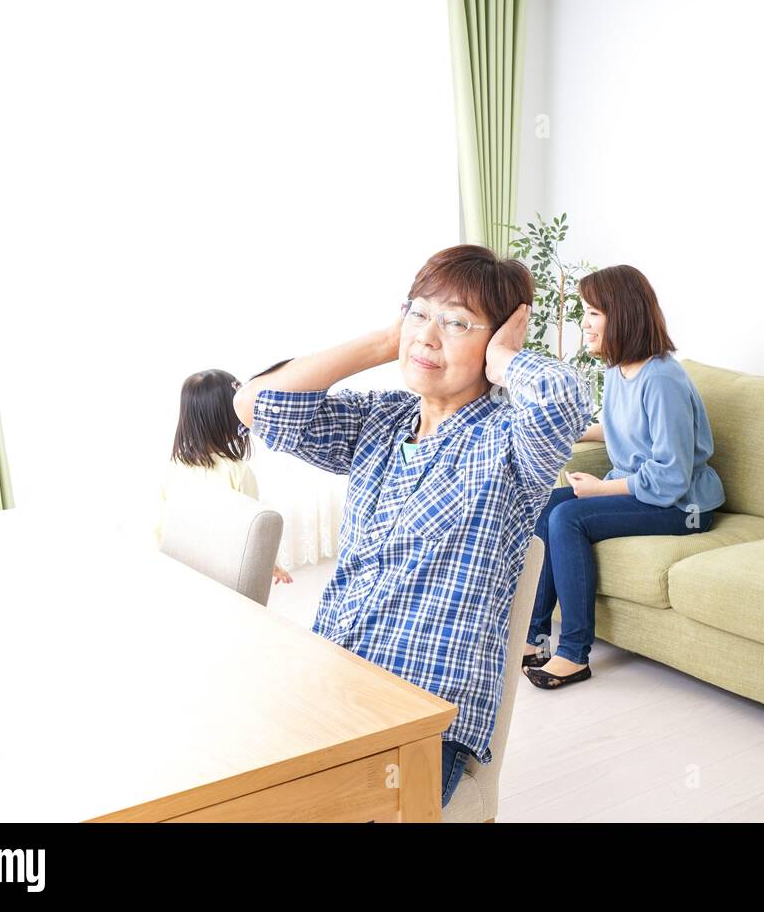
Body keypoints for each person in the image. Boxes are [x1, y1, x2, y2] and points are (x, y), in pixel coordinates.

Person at [232, 245, 593, 808]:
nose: (429, 335)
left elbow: (565, 400)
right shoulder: (383, 417)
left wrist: (502, 362)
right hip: (331, 684)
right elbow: (257, 404)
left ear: (500, 340)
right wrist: (390, 338)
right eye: (419, 312)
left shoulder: (511, 443)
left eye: (456, 323)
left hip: (416, 728)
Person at [522, 264, 725, 689]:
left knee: (568, 517)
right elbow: (623, 430)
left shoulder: (663, 378)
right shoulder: (617, 370)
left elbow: (670, 475)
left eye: (593, 313)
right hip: (642, 490)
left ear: (624, 314)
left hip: (682, 504)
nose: (585, 323)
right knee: (547, 506)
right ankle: (533, 636)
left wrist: (599, 489)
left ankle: (574, 654)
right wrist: (576, 430)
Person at [154, 368, 293, 585]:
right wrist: (270, 566)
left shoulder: (172, 467)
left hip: (176, 575)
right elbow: (251, 539)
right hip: (224, 583)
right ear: (228, 417)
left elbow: (158, 531)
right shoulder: (238, 472)